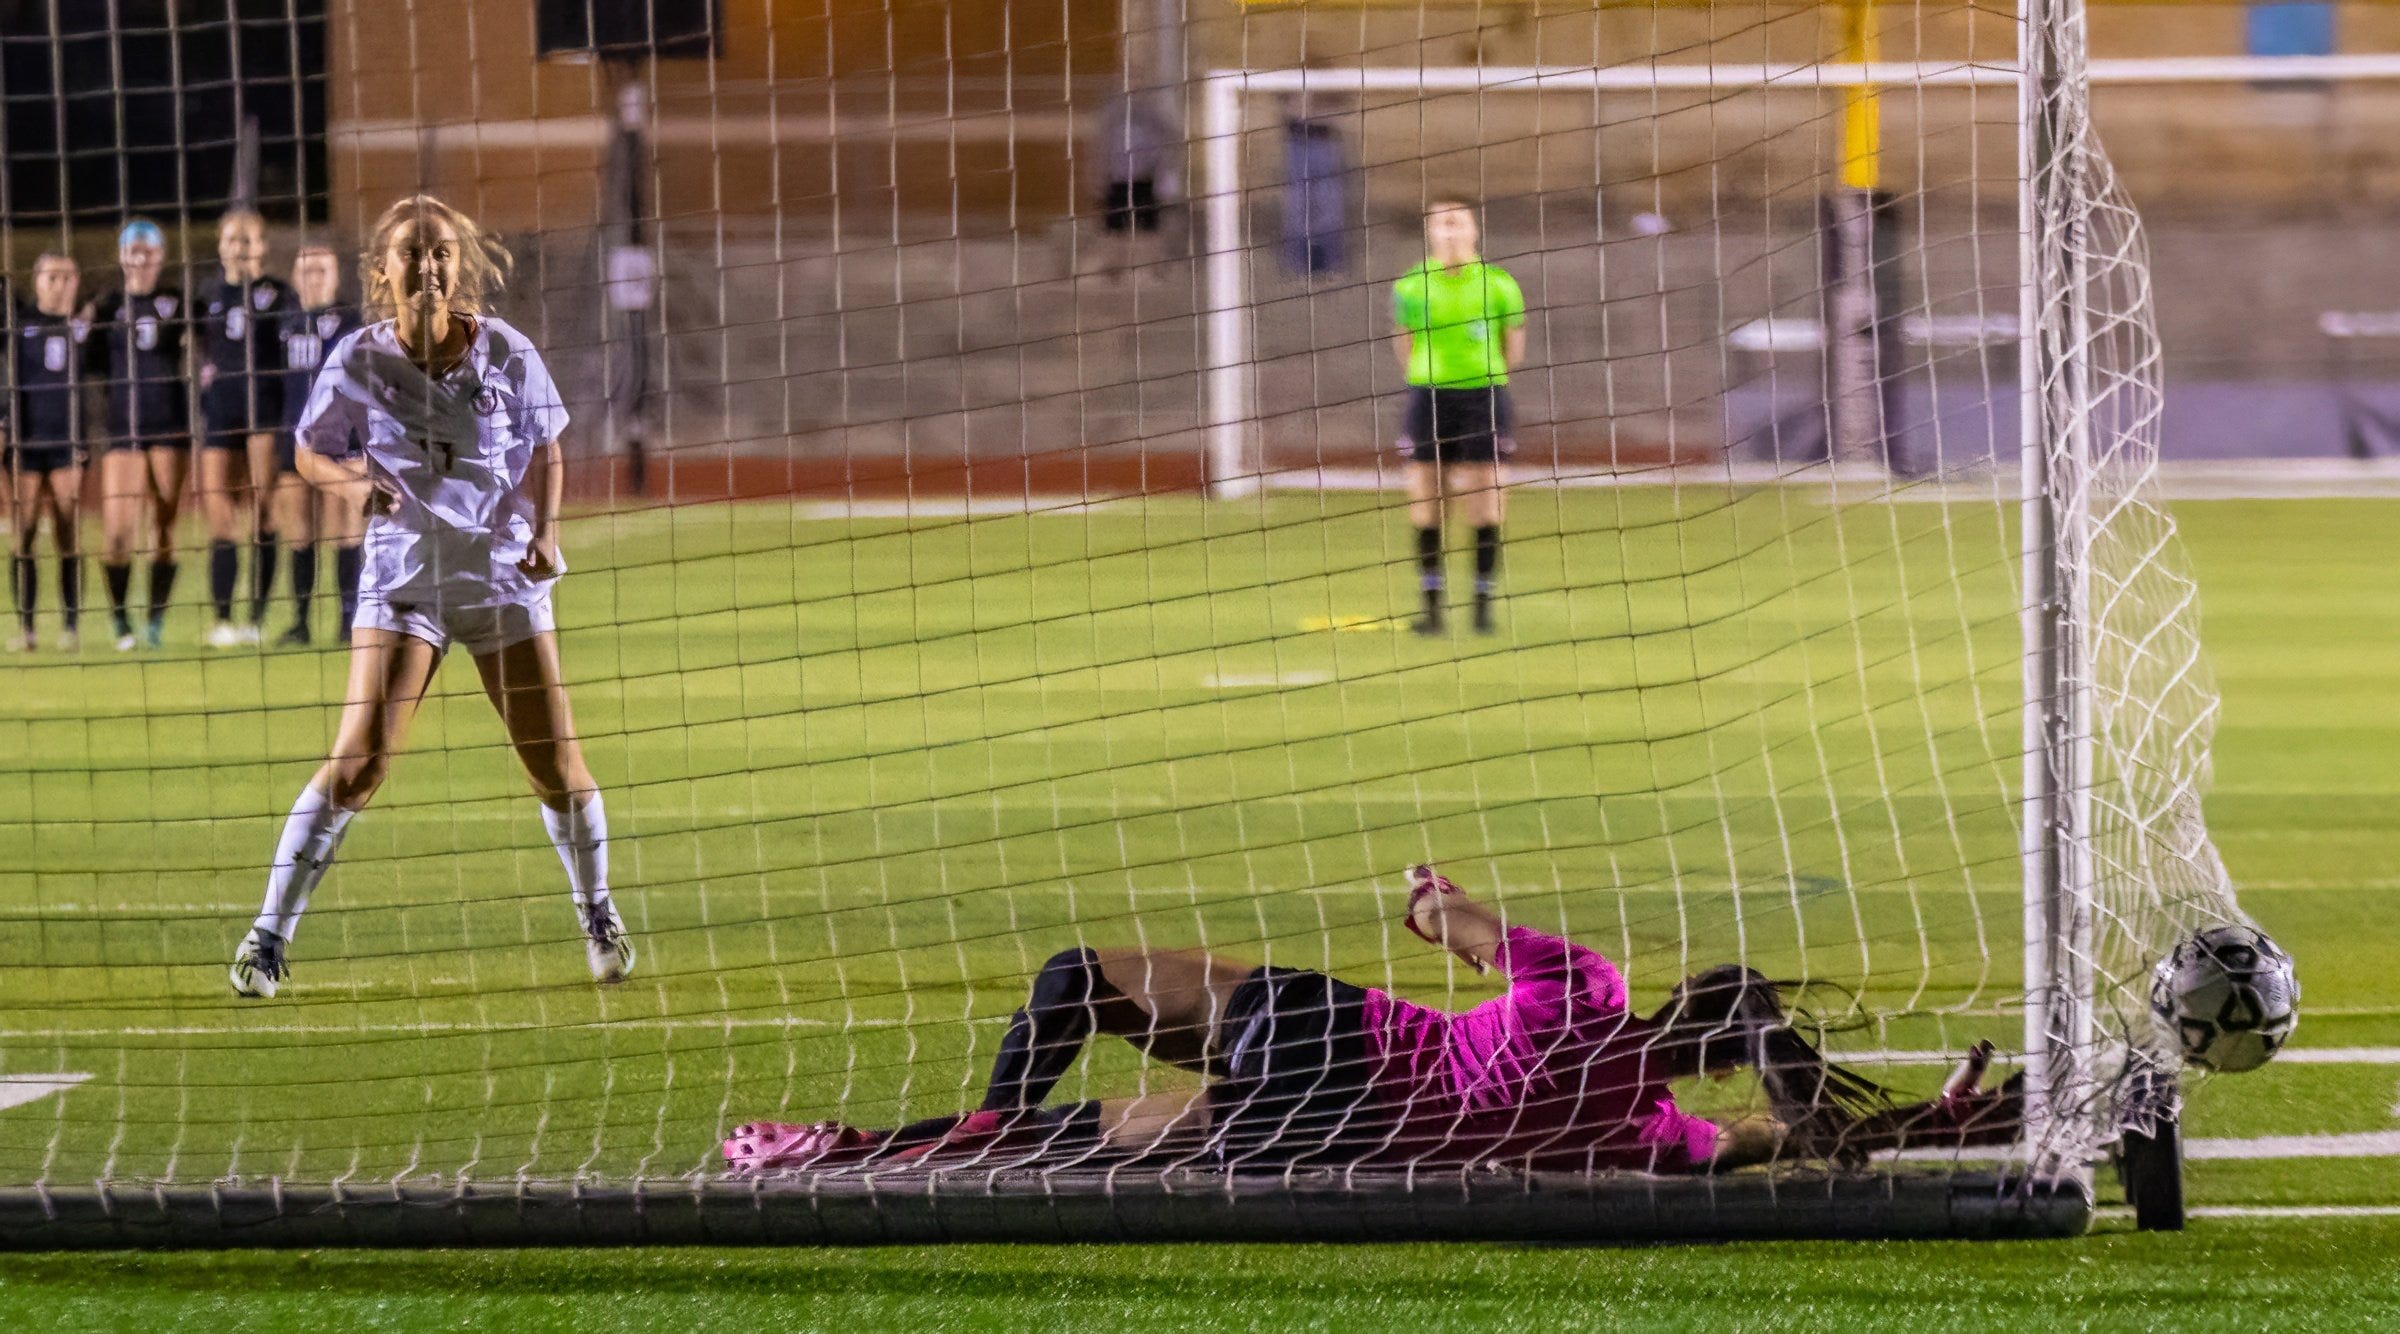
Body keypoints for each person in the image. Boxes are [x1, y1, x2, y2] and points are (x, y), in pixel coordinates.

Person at [723, 865, 2020, 1176]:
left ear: (1686, 1000)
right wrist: (1937, 1122)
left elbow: (1445, 921)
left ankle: (984, 1110)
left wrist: (1430, 899)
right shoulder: (1646, 1135)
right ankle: (844, 1147)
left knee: (1076, 973)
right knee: (1089, 1139)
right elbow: (1774, 1140)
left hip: (1321, 1026)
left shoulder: (1586, 981)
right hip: (1329, 1120)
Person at [229, 194, 632, 999]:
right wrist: (352, 486)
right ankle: (268, 935)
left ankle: (598, 912)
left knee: (555, 765)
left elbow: (549, 442)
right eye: (411, 252)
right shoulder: (359, 359)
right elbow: (310, 453)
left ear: (460, 265)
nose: (429, 264)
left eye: (442, 250)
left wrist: (546, 532)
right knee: (359, 765)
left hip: (498, 581)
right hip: (404, 585)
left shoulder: (507, 353)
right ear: (383, 271)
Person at [1392, 199, 1526, 636]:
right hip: (1429, 399)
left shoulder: (1499, 285)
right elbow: (1404, 344)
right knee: (1427, 499)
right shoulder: (1411, 286)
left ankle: (1482, 606)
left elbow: (1514, 347)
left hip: (1484, 397)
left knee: (1486, 498)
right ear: (1430, 233)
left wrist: (1484, 376)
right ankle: (1432, 610)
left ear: (1474, 230)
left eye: (1458, 222)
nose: (1450, 232)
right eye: (1441, 224)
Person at [194, 209, 296, 648]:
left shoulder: (278, 293)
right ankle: (222, 620)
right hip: (221, 408)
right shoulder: (208, 293)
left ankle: (254, 618)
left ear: (261, 246)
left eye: (247, 239)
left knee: (263, 510)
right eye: (232, 239)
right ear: (220, 246)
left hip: (264, 411)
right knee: (217, 509)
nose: (239, 246)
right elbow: (202, 342)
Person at [87, 219, 189, 651]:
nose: (143, 258)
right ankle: (120, 620)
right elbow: (90, 362)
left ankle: (154, 622)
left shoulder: (178, 300)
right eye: (135, 250)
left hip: (170, 424)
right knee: (117, 531)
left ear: (161, 256)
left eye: (150, 251)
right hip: (124, 428)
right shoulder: (108, 305)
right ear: (123, 255)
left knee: (164, 527)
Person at [273, 243, 367, 645]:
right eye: (307, 270)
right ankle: (300, 621)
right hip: (292, 436)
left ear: (335, 276)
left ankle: (349, 619)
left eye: (322, 270)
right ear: (295, 277)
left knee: (346, 528)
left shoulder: (352, 320)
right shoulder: (283, 322)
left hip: (340, 440)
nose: (314, 277)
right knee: (299, 530)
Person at [5, 253, 92, 653]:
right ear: (37, 281)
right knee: (23, 534)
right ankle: (27, 629)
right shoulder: (18, 324)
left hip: (66, 444)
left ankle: (71, 627)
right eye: (52, 277)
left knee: (66, 531)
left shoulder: (83, 328)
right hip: (26, 443)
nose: (60, 284)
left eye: (67, 277)